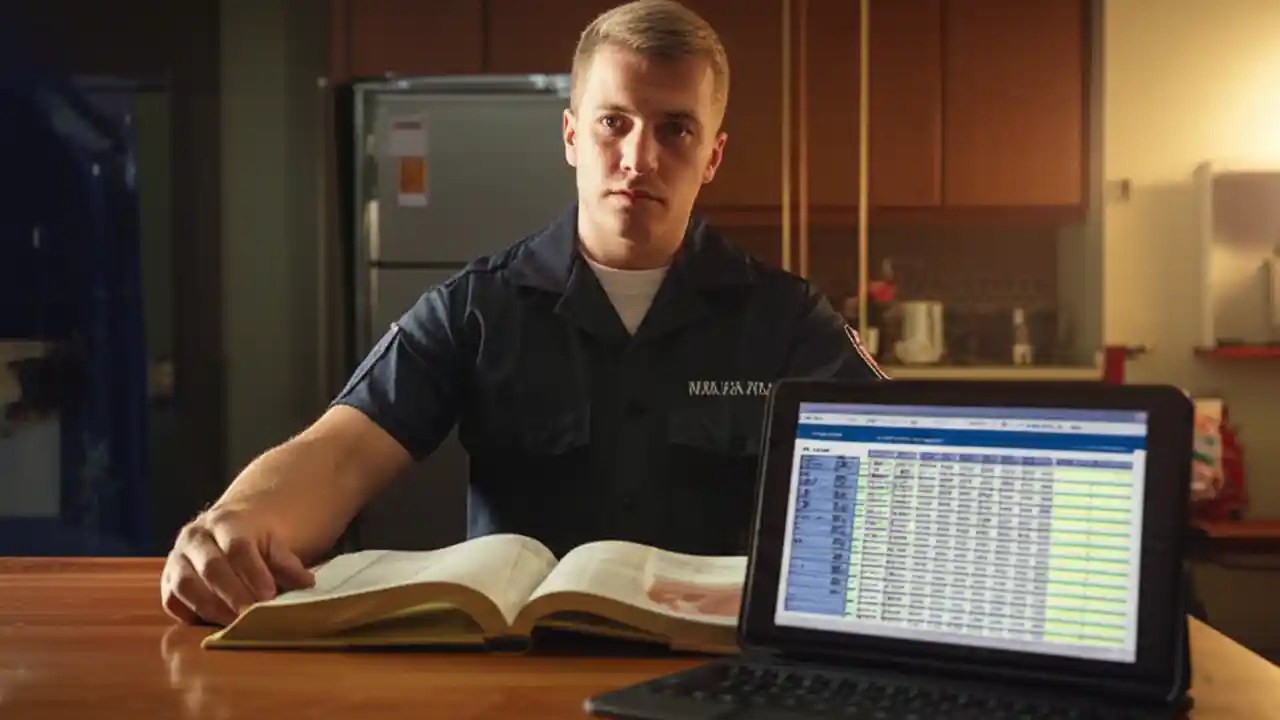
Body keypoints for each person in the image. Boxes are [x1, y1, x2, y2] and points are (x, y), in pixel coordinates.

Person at [160, 0, 885, 627]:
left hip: (716, 675)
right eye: (613, 122)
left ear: (713, 155)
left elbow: (891, 475)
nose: (639, 157)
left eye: (676, 130)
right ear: (572, 136)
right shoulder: (475, 309)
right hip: (514, 678)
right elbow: (340, 454)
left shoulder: (787, 319)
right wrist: (233, 527)